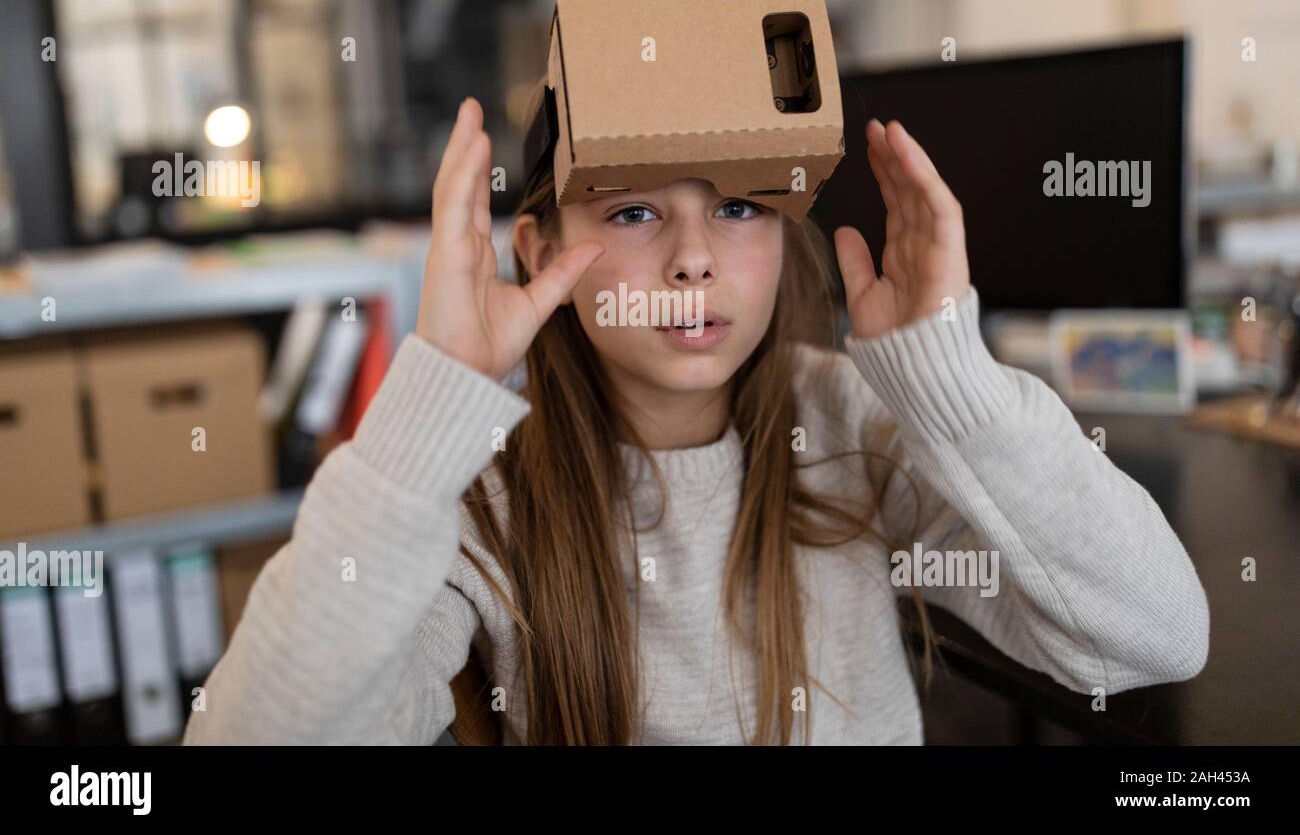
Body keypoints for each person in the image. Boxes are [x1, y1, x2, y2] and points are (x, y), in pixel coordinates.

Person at [183, 89, 1209, 745]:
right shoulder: (476, 502)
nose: (693, 259)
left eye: (738, 207)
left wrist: (956, 380)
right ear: (537, 251)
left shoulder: (844, 422)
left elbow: (1152, 638)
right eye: (632, 212)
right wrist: (430, 399)